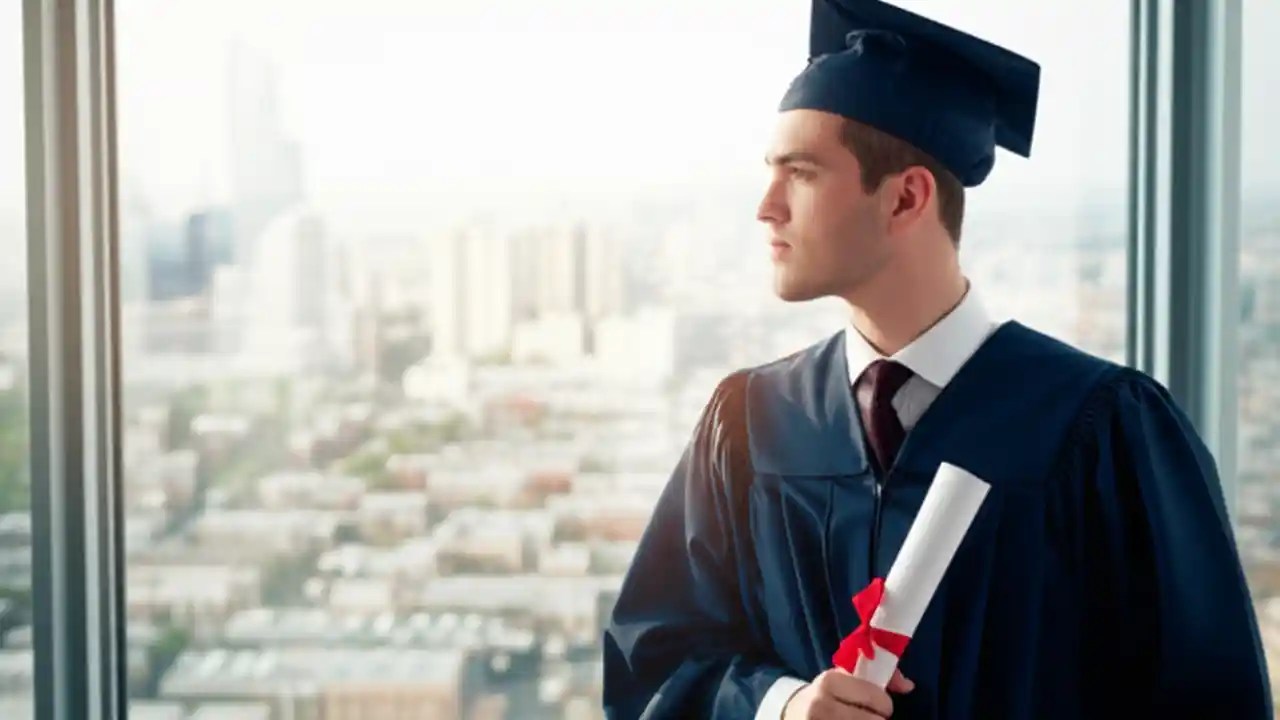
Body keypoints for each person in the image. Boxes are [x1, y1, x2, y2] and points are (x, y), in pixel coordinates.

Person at [602, 0, 1273, 718]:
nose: (766, 207)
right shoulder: (750, 424)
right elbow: (653, 668)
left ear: (906, 199)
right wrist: (784, 707)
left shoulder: (1102, 429)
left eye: (800, 173)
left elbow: (1210, 702)